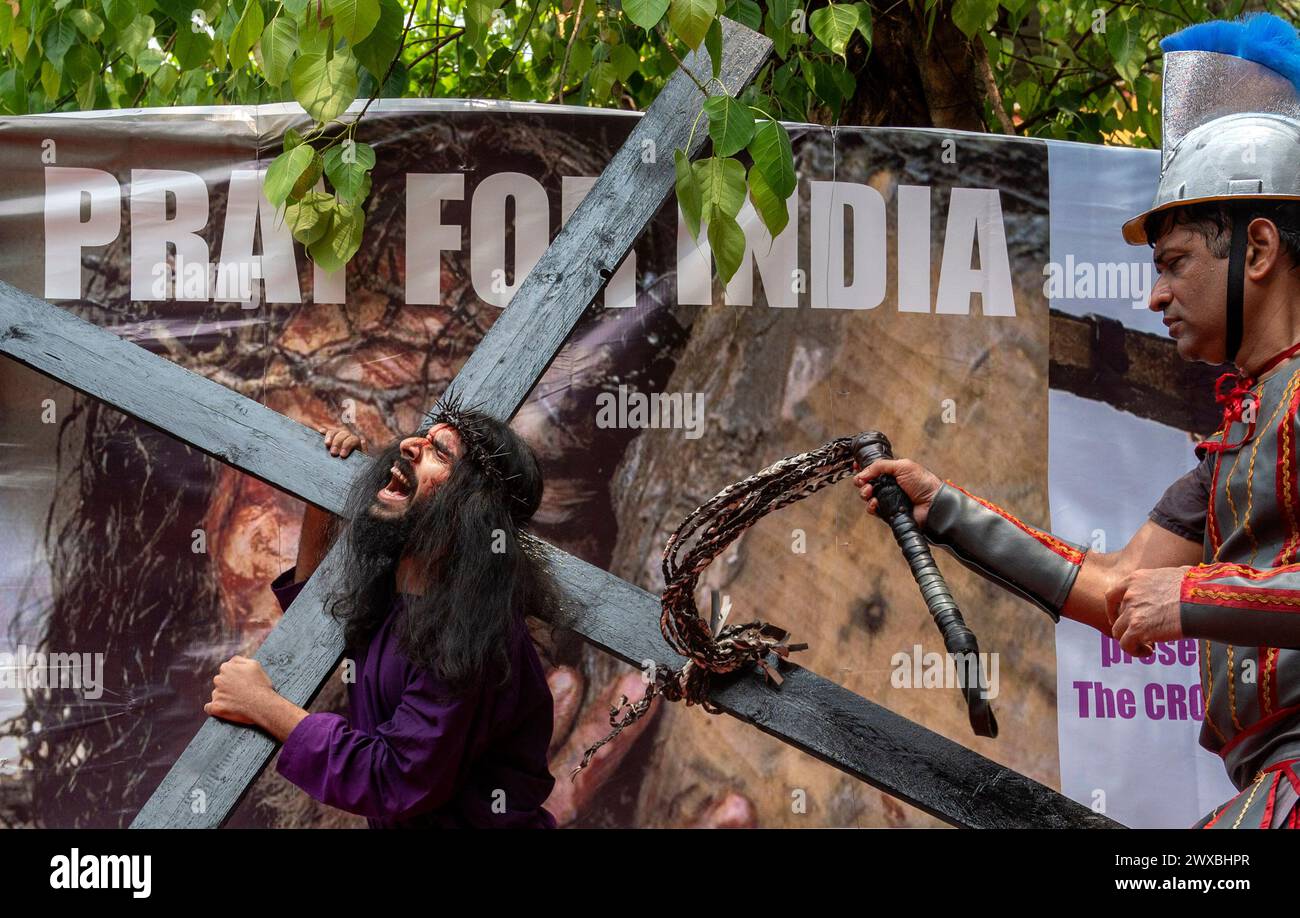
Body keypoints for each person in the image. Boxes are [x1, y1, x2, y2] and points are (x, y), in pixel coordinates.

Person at [855, 13, 1300, 830]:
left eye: (1174, 265)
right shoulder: (1240, 434)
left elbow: (1171, 594)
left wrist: (1194, 594)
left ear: (1260, 248)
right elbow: (1121, 588)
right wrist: (942, 507)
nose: (1155, 297)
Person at [202, 398, 563, 828]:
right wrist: (329, 488)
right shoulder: (396, 591)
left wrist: (262, 705)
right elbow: (317, 616)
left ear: (471, 509)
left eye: (439, 452)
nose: (409, 445)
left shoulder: (474, 636)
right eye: (423, 437)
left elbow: (392, 776)